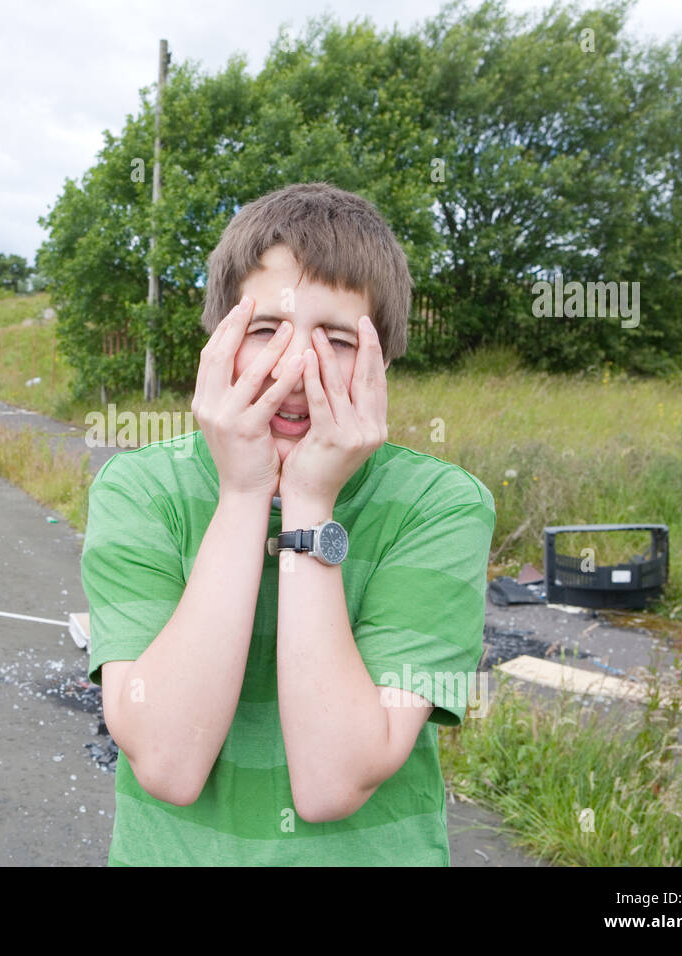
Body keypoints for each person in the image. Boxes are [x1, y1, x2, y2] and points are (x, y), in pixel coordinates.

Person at [80, 182, 496, 865]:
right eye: (266, 330)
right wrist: (244, 495)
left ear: (381, 361)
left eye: (336, 339)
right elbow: (167, 761)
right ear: (219, 342)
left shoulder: (439, 505)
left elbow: (332, 781)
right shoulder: (140, 489)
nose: (296, 367)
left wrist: (309, 504)